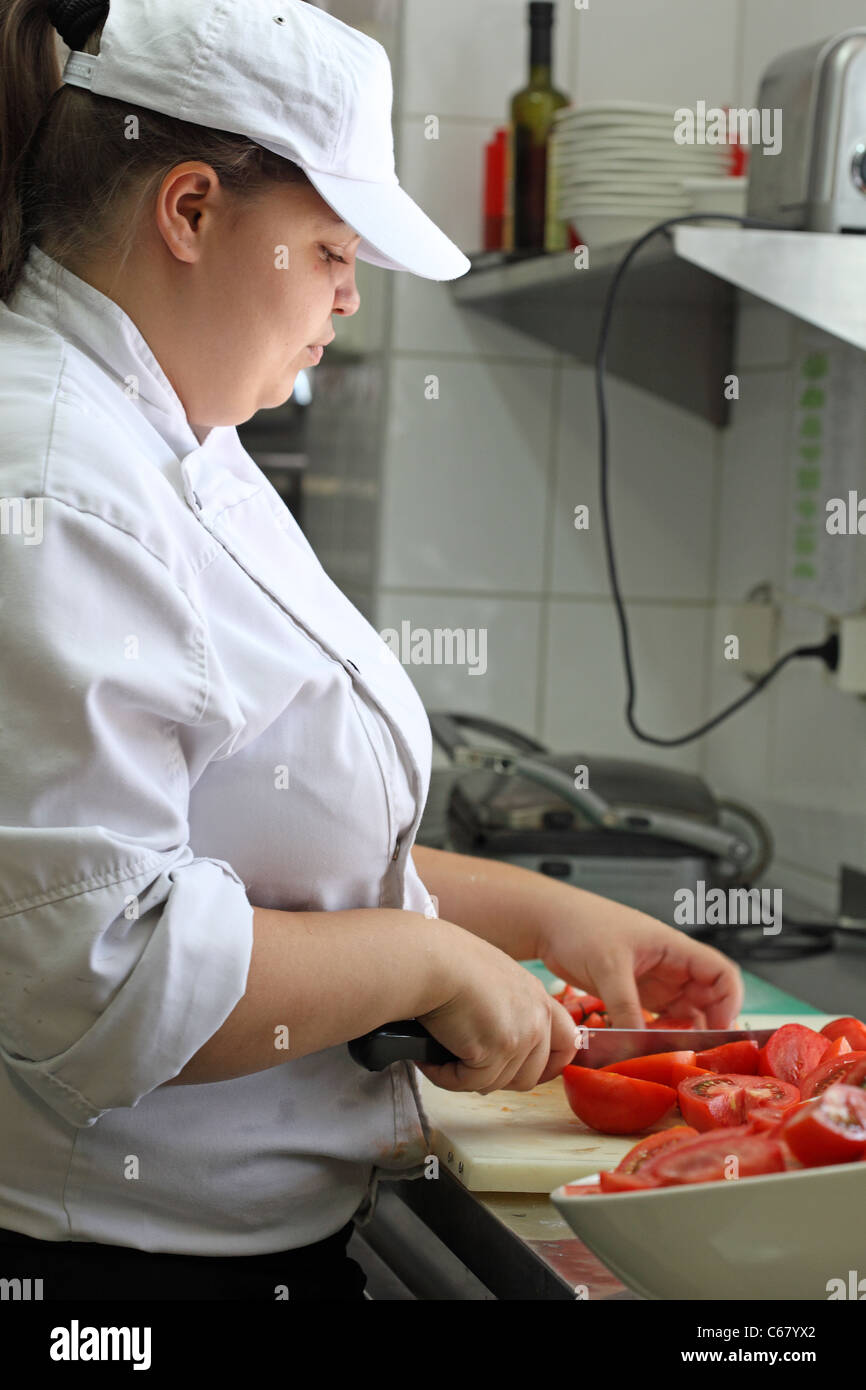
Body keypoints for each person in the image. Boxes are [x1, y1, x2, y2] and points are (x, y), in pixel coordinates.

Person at [0, 0, 743, 1301]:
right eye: (332, 246)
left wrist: (543, 915)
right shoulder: (58, 469)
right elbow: (95, 969)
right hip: (111, 1275)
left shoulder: (177, 439)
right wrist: (427, 960)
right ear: (188, 210)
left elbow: (247, 836)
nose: (349, 293)